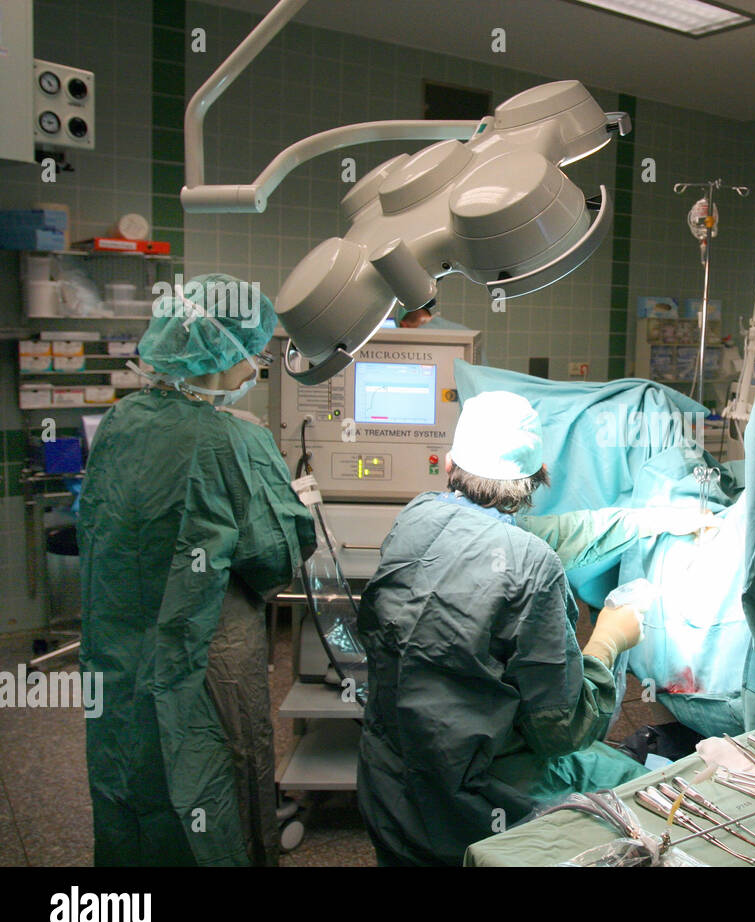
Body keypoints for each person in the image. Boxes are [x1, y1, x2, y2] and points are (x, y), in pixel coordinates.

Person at [357, 391, 721, 865]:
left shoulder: (416, 520)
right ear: (536, 480)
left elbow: (560, 533)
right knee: (657, 800)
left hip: (390, 782)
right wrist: (608, 641)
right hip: (474, 800)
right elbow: (562, 731)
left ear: (449, 466)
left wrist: (656, 521)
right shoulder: (532, 566)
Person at [79, 274, 317, 866]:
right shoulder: (233, 442)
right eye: (254, 351)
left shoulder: (120, 422)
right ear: (225, 352)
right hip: (204, 653)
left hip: (121, 644)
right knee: (212, 775)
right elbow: (276, 562)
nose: (257, 364)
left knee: (134, 769)